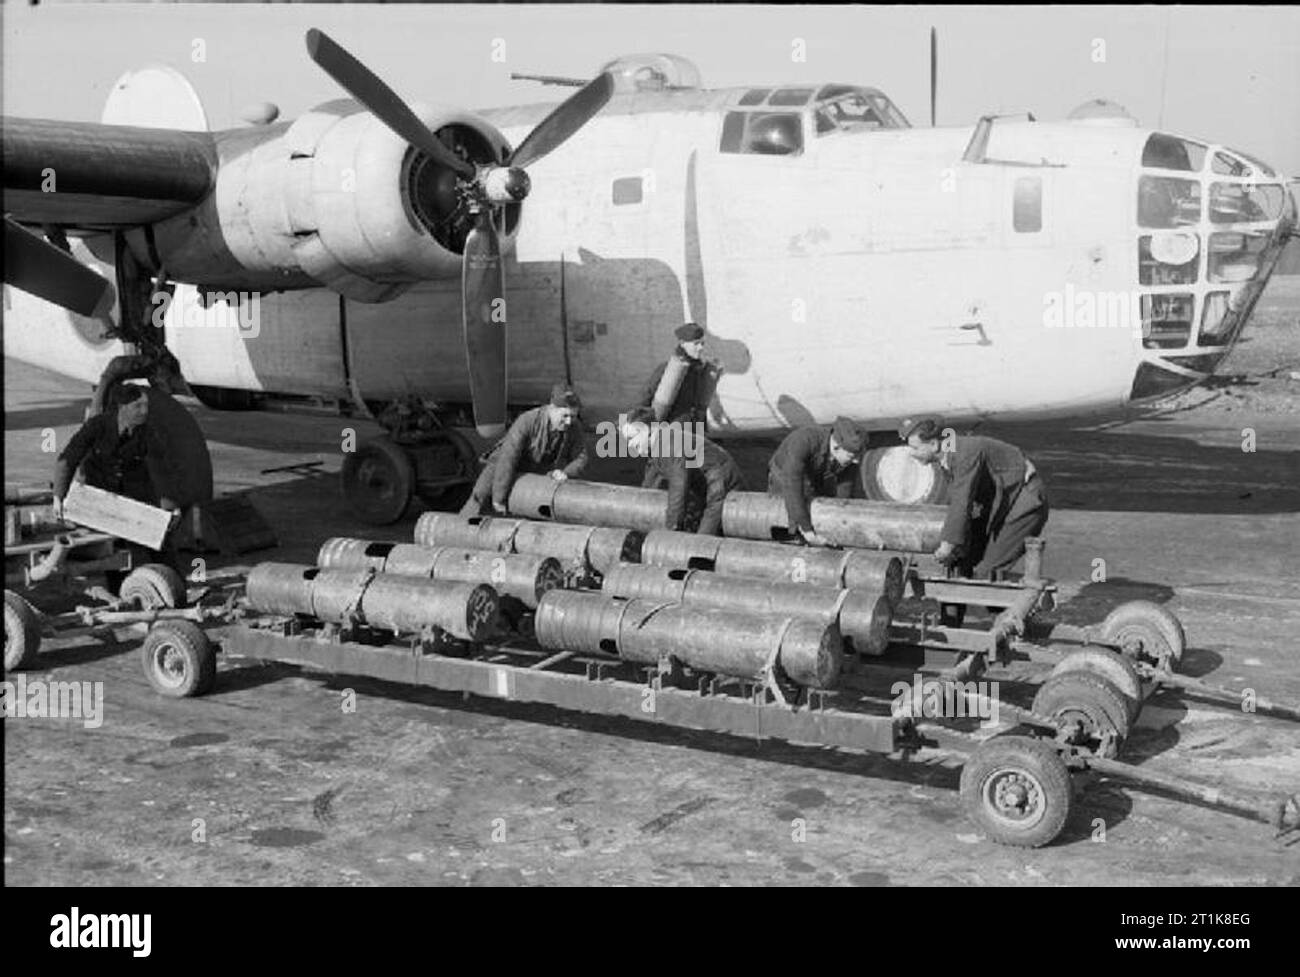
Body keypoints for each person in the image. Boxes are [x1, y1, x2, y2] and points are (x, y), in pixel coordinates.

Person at [899, 416, 1049, 580]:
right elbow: (962, 499)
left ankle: (1005, 603)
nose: (911, 454)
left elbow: (962, 501)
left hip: (1024, 501)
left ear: (934, 445)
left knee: (988, 570)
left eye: (915, 448)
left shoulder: (964, 453)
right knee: (962, 561)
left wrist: (947, 545)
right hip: (1000, 500)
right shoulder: (949, 453)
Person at [52, 384, 179, 518]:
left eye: (145, 406)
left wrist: (170, 506)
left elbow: (161, 471)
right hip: (97, 493)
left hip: (132, 499)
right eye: (137, 406)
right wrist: (59, 496)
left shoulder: (150, 432)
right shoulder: (97, 426)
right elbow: (68, 459)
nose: (144, 411)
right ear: (122, 408)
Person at [461, 383, 588, 516]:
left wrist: (566, 473)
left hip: (533, 472)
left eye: (573, 416)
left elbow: (581, 457)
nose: (568, 422)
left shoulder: (574, 427)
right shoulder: (527, 421)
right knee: (478, 500)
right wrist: (499, 498)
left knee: (528, 512)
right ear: (552, 409)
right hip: (501, 468)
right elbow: (508, 458)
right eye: (565, 416)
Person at [623, 408, 745, 535]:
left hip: (720, 482)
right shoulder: (656, 450)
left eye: (631, 438)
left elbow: (679, 484)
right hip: (709, 484)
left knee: (702, 541)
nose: (630, 445)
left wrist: (673, 526)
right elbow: (650, 485)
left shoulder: (668, 446)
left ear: (649, 430)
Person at [767, 417, 867, 546]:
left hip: (816, 475)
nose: (857, 461)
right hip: (784, 476)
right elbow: (792, 485)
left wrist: (838, 521)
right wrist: (806, 529)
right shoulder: (803, 440)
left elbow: (845, 488)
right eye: (852, 457)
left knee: (819, 507)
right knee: (785, 519)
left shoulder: (850, 452)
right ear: (836, 447)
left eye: (859, 456)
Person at [636, 321, 715, 426]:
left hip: (694, 427)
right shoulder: (668, 369)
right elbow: (646, 397)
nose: (701, 348)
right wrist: (637, 423)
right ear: (682, 343)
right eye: (696, 344)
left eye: (702, 343)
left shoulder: (699, 369)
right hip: (673, 430)